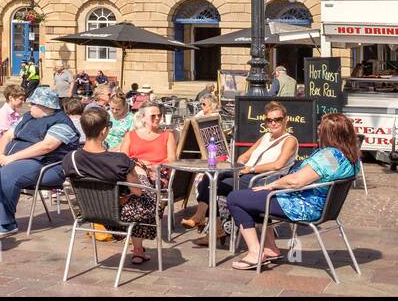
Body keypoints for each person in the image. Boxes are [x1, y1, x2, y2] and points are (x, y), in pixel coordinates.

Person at [225, 112, 360, 270]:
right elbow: (325, 173)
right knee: (253, 198)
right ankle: (270, 249)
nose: (317, 132)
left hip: (301, 206)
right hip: (323, 207)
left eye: (320, 129)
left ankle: (255, 253)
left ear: (329, 134)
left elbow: (296, 181)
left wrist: (272, 185)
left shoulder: (328, 156)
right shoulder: (349, 158)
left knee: (235, 198)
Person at [63, 106, 162, 266]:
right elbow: (137, 192)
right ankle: (138, 248)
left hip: (89, 211)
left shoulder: (70, 158)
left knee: (141, 200)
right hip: (118, 214)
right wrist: (141, 174)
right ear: (104, 131)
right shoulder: (120, 160)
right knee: (152, 201)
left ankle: (138, 250)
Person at [183, 100, 299, 234]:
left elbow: (278, 164)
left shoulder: (290, 140)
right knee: (210, 178)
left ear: (285, 120)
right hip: (247, 174)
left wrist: (251, 169)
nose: (273, 123)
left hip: (262, 179)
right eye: (269, 120)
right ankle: (210, 223)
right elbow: (245, 156)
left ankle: (205, 220)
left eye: (277, 119)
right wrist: (242, 162)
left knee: (210, 184)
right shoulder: (266, 136)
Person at [0, 86, 79, 238]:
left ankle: (7, 223)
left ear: (44, 106)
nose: (29, 105)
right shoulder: (28, 117)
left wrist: (11, 158)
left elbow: (46, 147)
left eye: (32, 103)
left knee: (8, 173)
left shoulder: (62, 123)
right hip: (17, 159)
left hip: (48, 166)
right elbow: (8, 135)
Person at [117, 101, 177, 189]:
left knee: (133, 185)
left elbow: (172, 159)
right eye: (153, 116)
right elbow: (123, 158)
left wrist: (156, 166)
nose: (157, 118)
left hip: (157, 173)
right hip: (133, 172)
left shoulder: (167, 136)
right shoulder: (130, 135)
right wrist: (141, 164)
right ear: (143, 118)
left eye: (159, 115)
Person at [0, 84, 26, 158]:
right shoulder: (3, 113)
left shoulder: (14, 112)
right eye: (21, 99)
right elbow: (8, 135)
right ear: (11, 98)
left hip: (10, 146)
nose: (23, 102)